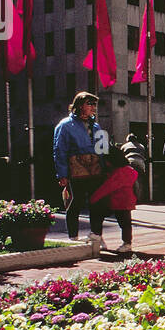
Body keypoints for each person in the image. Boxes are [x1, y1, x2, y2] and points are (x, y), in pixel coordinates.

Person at [53, 92, 105, 241]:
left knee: (97, 202)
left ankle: (96, 235)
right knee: (76, 202)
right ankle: (73, 237)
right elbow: (59, 150)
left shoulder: (96, 126)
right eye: (90, 104)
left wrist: (105, 168)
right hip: (76, 169)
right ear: (80, 105)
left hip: (95, 169)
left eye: (94, 104)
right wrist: (62, 174)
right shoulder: (65, 125)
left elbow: (103, 149)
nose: (93, 107)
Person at [90, 146, 138, 256]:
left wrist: (93, 198)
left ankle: (99, 235)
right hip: (125, 201)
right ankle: (127, 243)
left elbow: (108, 187)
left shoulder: (119, 173)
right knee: (126, 224)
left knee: (120, 222)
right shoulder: (127, 170)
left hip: (118, 202)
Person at [121, 130, 147, 203]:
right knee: (140, 180)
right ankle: (140, 197)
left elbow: (122, 156)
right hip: (141, 162)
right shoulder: (141, 146)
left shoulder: (125, 146)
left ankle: (132, 197)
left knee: (131, 181)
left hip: (130, 161)